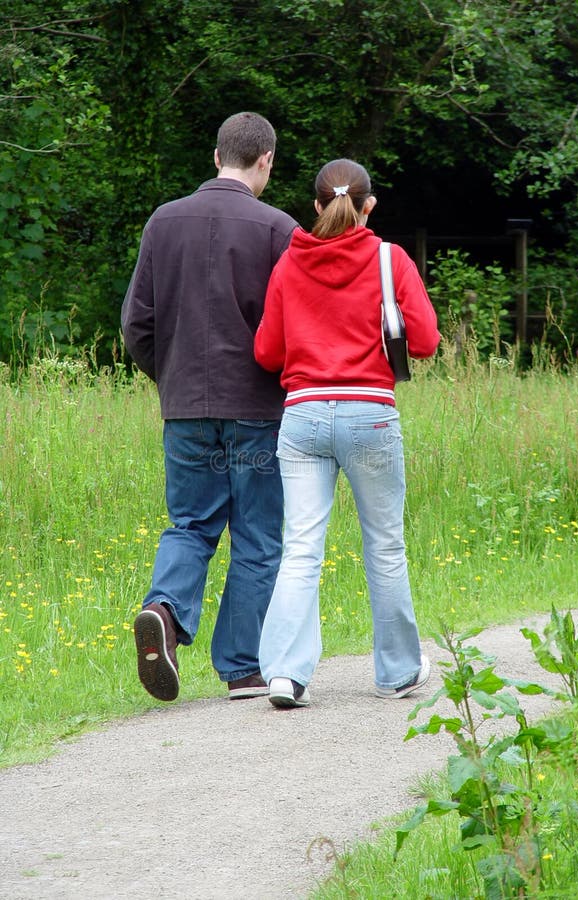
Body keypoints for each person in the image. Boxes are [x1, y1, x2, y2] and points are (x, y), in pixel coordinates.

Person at [121, 111, 298, 702]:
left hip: (185, 408)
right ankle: (242, 667)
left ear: (215, 154)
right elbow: (292, 327)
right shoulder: (279, 230)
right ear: (266, 159)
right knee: (257, 536)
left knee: (190, 525)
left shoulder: (162, 222)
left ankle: (164, 614)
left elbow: (136, 325)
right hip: (256, 409)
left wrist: (168, 377)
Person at [254, 158, 441, 708]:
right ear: (369, 206)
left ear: (315, 206)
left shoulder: (290, 263)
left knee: (301, 548)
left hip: (304, 415)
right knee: (384, 546)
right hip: (371, 415)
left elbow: (266, 352)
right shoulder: (391, 259)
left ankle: (286, 675)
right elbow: (425, 341)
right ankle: (398, 673)